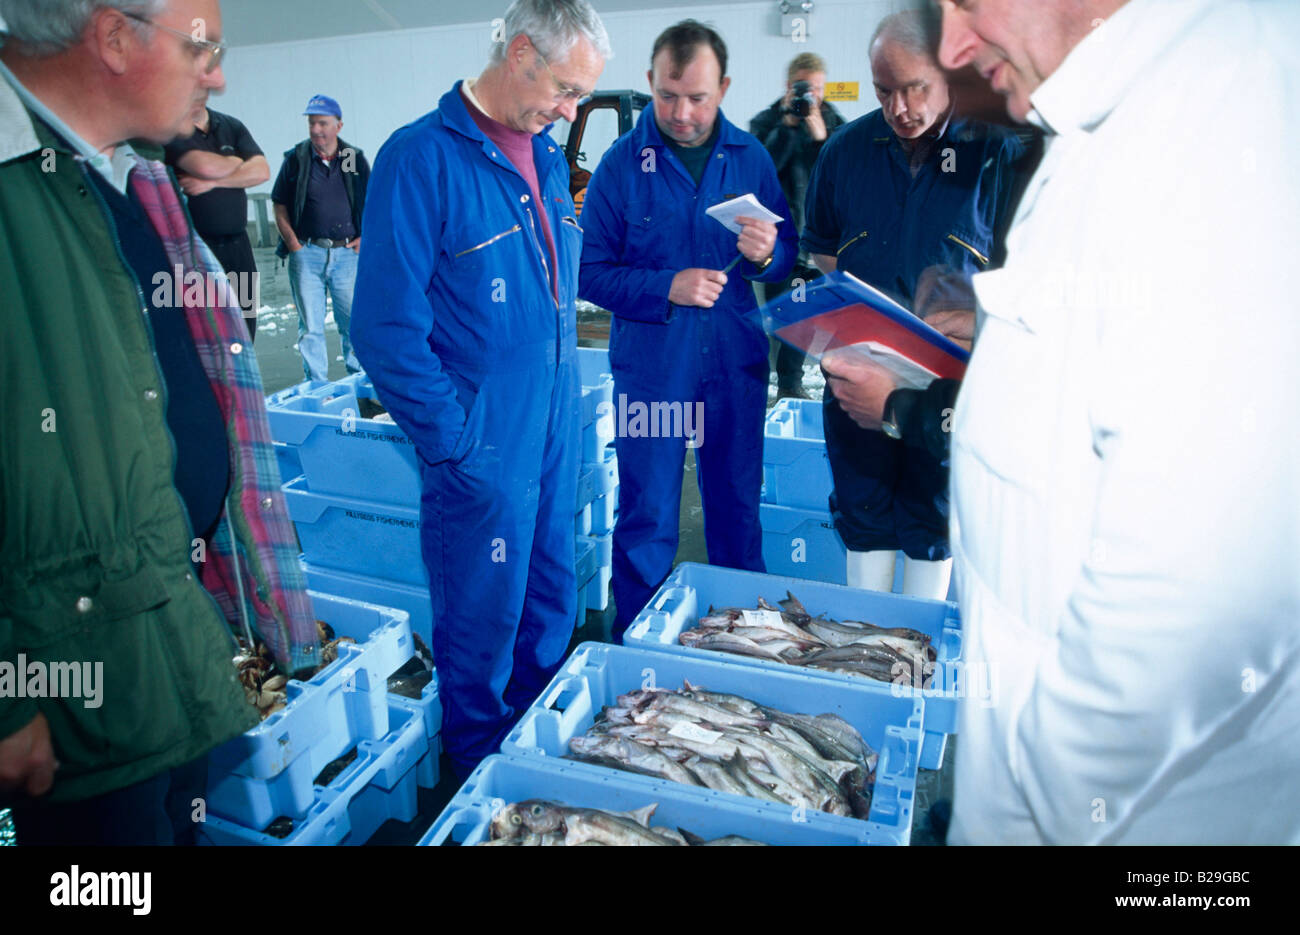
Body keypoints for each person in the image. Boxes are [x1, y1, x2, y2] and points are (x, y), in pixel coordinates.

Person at [918, 0, 1297, 844]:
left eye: (966, 3)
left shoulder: (1223, 105)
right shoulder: (1116, 109)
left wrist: (1044, 794)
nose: (951, 45)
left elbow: (1214, 584)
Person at [0, 0, 318, 846]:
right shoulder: (16, 193)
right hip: (77, 680)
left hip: (174, 619)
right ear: (111, 36)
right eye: (202, 48)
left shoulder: (130, 176)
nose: (216, 75)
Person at [351, 0, 609, 780]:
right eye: (565, 90)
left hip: (553, 433)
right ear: (521, 52)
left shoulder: (546, 154)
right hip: (482, 448)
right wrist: (458, 443)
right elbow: (385, 331)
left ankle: (532, 776)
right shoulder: (420, 159)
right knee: (480, 631)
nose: (571, 112)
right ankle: (478, 788)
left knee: (549, 609)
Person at [579, 20, 797, 641]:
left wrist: (767, 254)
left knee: (736, 509)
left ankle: (751, 645)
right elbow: (588, 273)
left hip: (733, 370)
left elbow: (787, 255)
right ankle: (636, 652)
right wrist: (663, 286)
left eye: (697, 97)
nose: (681, 112)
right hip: (656, 375)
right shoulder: (622, 167)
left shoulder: (750, 158)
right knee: (648, 516)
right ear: (649, 82)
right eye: (668, 95)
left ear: (723, 87)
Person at [803, 9, 1022, 600]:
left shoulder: (996, 153)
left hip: (947, 390)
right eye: (884, 90)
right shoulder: (844, 153)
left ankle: (914, 657)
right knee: (864, 516)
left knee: (932, 521)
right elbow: (823, 252)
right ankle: (871, 658)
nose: (900, 107)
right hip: (855, 381)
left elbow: (1023, 286)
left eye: (915, 87)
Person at [749, 52, 845, 399]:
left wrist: (822, 139)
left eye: (816, 88)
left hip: (818, 240)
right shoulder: (766, 122)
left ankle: (791, 384)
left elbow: (842, 179)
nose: (810, 96)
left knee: (808, 317)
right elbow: (759, 172)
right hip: (778, 240)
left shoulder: (834, 123)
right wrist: (787, 128)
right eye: (803, 88)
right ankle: (773, 383)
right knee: (781, 316)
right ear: (788, 87)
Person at [270, 94, 370, 382]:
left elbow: (370, 199)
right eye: (312, 123)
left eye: (323, 123)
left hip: (346, 255)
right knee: (311, 327)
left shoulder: (351, 158)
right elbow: (279, 204)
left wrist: (365, 236)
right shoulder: (298, 159)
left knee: (352, 323)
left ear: (338, 125)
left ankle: (358, 381)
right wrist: (293, 244)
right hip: (308, 254)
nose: (316, 130)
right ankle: (317, 386)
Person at [165, 105, 268, 340]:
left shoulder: (230, 126)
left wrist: (212, 183)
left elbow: (261, 171)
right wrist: (234, 163)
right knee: (201, 325)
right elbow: (204, 165)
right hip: (194, 248)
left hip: (237, 245)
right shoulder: (169, 129)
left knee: (245, 320)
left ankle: (240, 375)